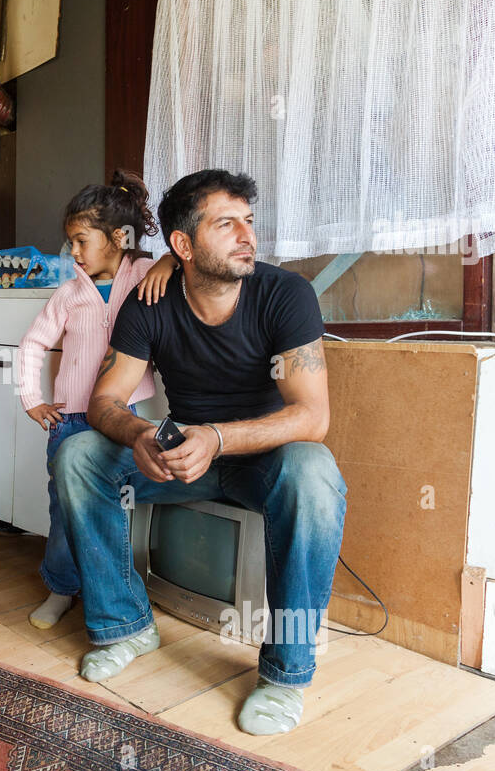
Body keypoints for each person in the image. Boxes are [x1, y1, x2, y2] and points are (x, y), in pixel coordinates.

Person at [54, 169, 347, 736]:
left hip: (262, 460)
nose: (248, 237)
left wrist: (217, 438)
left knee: (314, 469)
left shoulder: (285, 294)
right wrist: (141, 435)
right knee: (79, 455)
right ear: (183, 245)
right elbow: (104, 401)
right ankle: (125, 626)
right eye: (226, 224)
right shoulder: (149, 304)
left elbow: (313, 416)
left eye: (250, 222)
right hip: (181, 455)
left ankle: (287, 673)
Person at [18, 170, 174, 629]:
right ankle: (62, 588)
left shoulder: (144, 276)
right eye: (71, 243)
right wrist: (32, 399)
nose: (74, 253)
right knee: (66, 511)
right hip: (70, 423)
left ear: (118, 238)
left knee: (116, 507)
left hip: (128, 418)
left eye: (82, 241)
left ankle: (108, 588)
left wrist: (164, 264)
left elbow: (183, 264)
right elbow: (32, 345)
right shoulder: (68, 294)